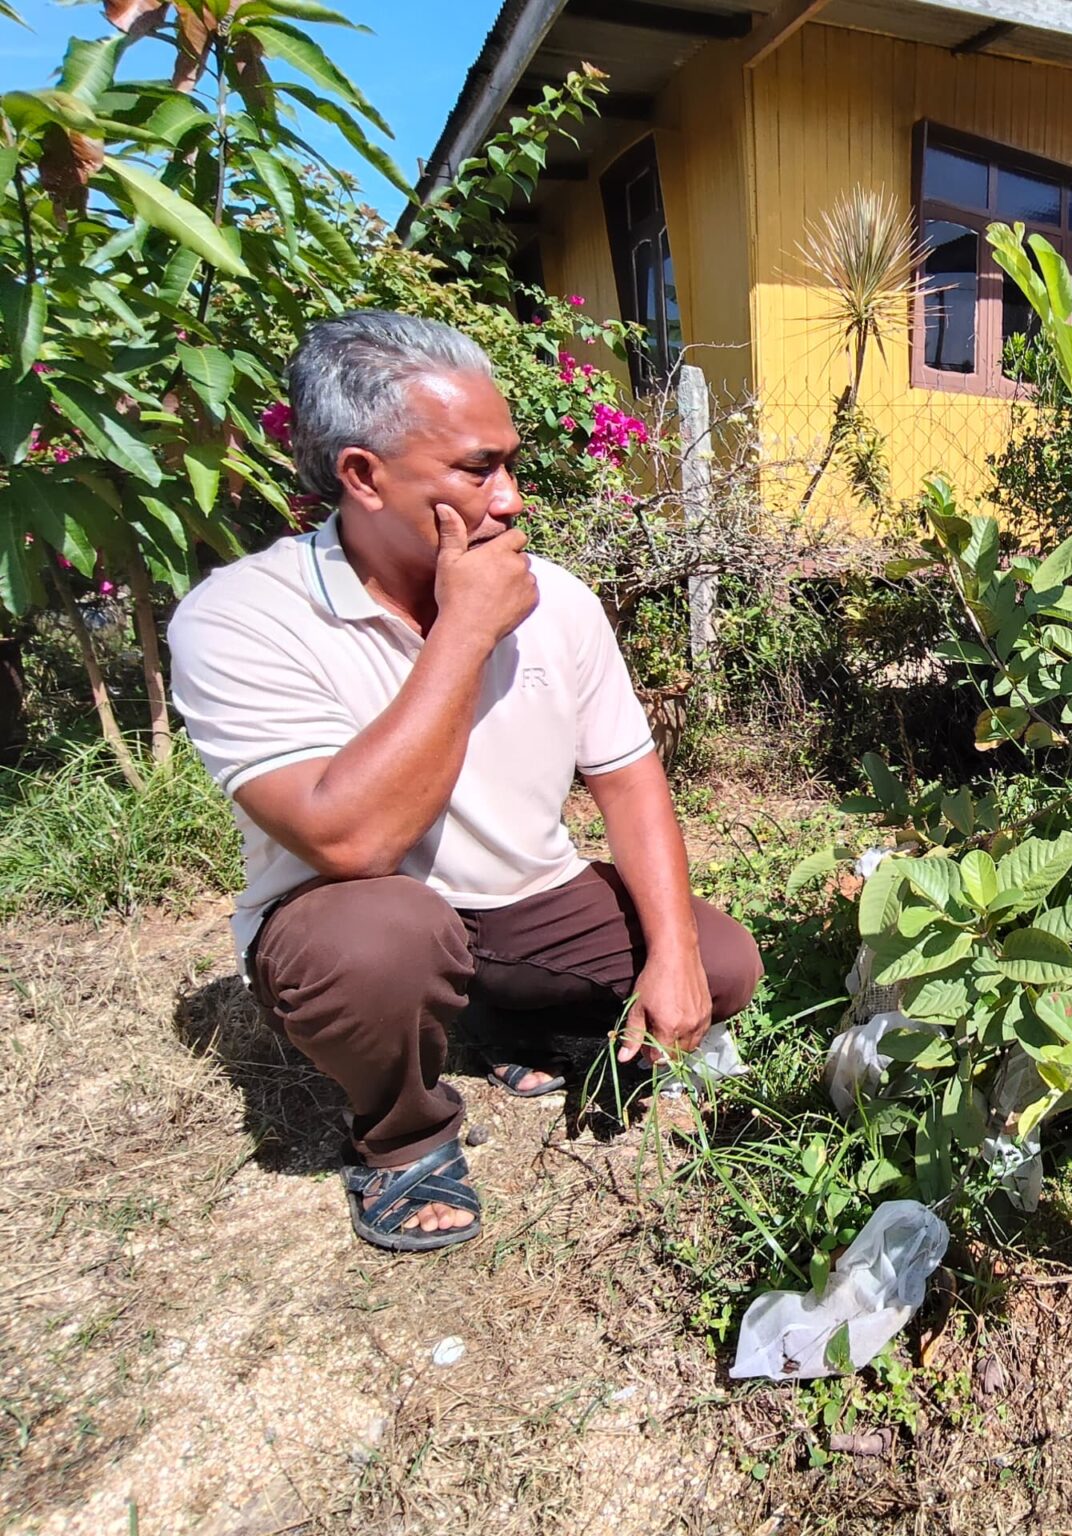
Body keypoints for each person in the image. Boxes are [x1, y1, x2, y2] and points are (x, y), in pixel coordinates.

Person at [168, 310, 761, 1254]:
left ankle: (499, 1023)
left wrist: (676, 953)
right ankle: (401, 1135)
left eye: (510, 463)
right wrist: (466, 629)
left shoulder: (558, 600)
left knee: (722, 962)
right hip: (358, 912)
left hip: (519, 903)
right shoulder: (241, 618)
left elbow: (628, 776)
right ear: (363, 476)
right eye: (477, 469)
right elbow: (351, 842)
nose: (511, 499)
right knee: (380, 946)